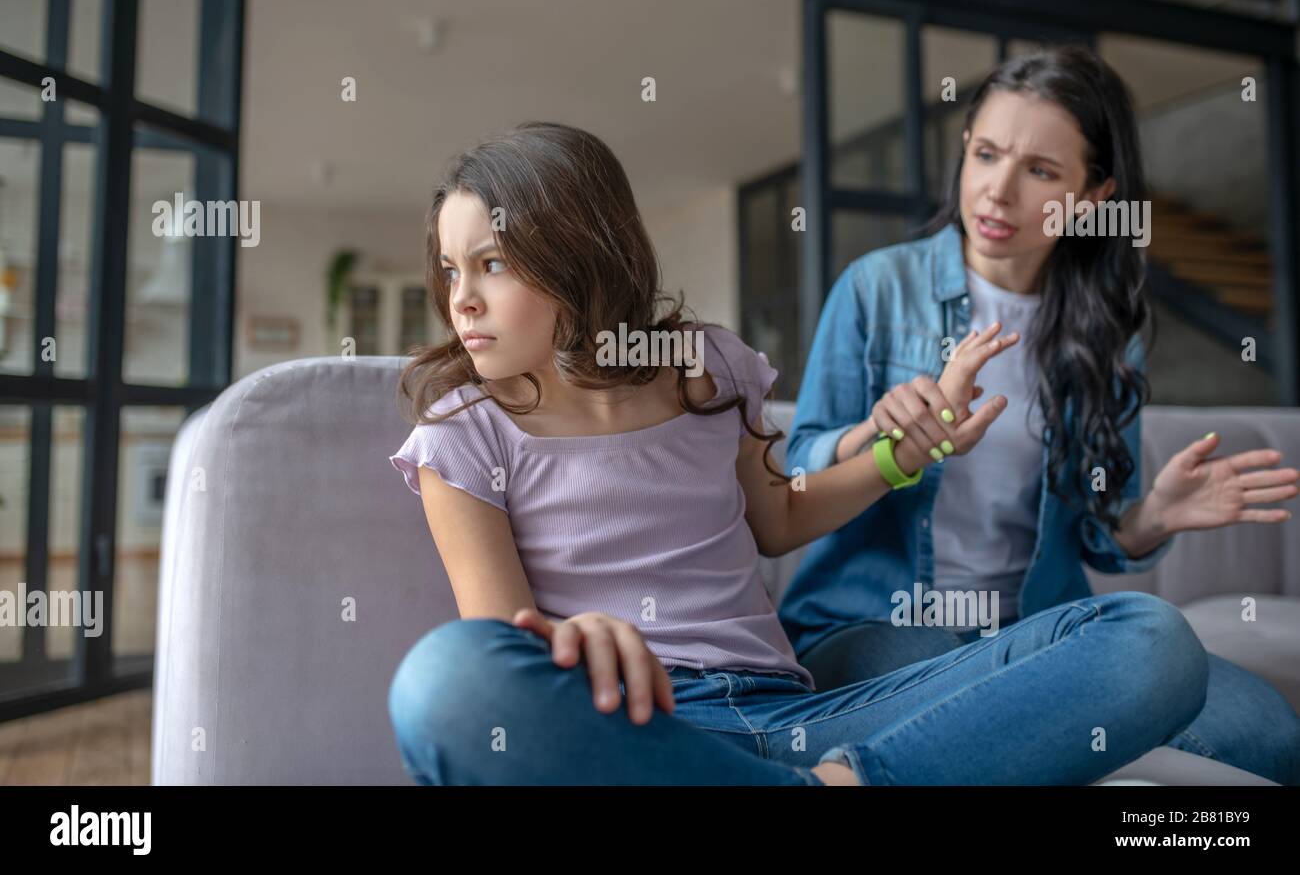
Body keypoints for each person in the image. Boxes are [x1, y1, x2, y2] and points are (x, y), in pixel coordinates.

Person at [384, 119, 1209, 785]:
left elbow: (779, 516)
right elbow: (502, 644)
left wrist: (900, 455)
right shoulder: (462, 433)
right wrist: (577, 640)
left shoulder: (707, 370)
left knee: (1148, 638)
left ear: (576, 252)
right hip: (645, 726)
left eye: (491, 264)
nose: (461, 298)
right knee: (447, 680)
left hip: (801, 718)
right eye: (451, 269)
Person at [780, 46, 1300, 785]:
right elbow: (792, 475)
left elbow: (1097, 527)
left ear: (1091, 196)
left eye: (1042, 171)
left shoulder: (1103, 333)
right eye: (987, 154)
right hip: (875, 622)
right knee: (958, 686)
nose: (997, 191)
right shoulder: (875, 288)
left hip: (1034, 629)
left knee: (1266, 732)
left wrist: (1150, 516)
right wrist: (872, 437)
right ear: (964, 150)